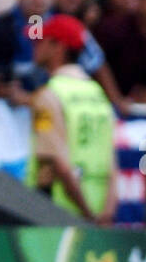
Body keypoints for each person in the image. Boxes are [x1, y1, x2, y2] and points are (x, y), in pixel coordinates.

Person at [27, 14, 116, 223]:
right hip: (98, 205)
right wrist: (107, 212)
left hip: (57, 209)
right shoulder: (98, 94)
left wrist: (86, 214)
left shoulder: (49, 96)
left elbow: (58, 163)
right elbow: (113, 163)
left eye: (41, 40)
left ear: (58, 47)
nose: (35, 46)